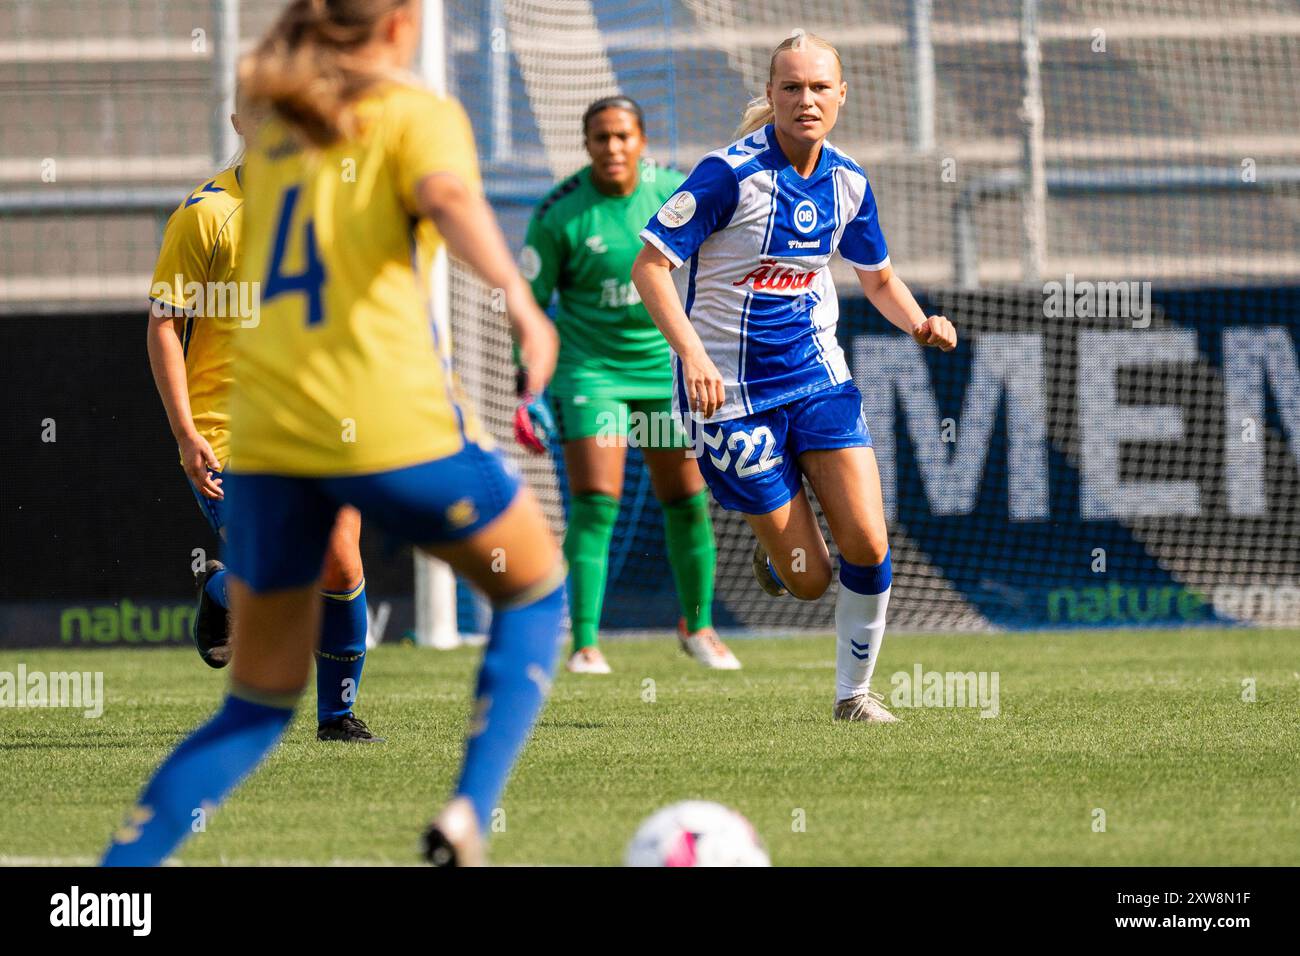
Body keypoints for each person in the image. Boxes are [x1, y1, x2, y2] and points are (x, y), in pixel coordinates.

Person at [105, 0, 563, 866]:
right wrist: (520, 301)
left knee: (252, 707)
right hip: (388, 426)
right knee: (534, 589)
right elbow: (449, 196)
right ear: (398, 26)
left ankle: (109, 889)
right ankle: (468, 813)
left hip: (276, 441)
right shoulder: (413, 115)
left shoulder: (276, 139)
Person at [631, 32, 957, 722]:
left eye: (818, 87)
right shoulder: (728, 175)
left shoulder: (848, 182)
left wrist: (921, 322)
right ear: (772, 96)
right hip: (732, 400)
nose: (806, 99)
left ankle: (853, 696)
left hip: (818, 379)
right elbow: (650, 267)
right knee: (809, 582)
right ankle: (780, 558)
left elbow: (879, 279)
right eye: (791, 87)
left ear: (841, 95)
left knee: (869, 544)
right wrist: (692, 356)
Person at [147, 103, 381, 743]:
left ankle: (337, 720)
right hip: (230, 430)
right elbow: (165, 323)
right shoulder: (207, 216)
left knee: (339, 563)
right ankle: (229, 589)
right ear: (239, 122)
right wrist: (186, 434)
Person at [519, 95, 739, 674]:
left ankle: (699, 626)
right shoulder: (560, 213)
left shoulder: (676, 192)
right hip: (591, 375)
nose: (613, 148)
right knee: (596, 505)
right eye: (601, 138)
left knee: (687, 500)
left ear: (640, 140)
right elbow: (530, 308)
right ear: (587, 145)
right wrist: (530, 388)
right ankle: (586, 643)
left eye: (622, 136)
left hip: (667, 370)